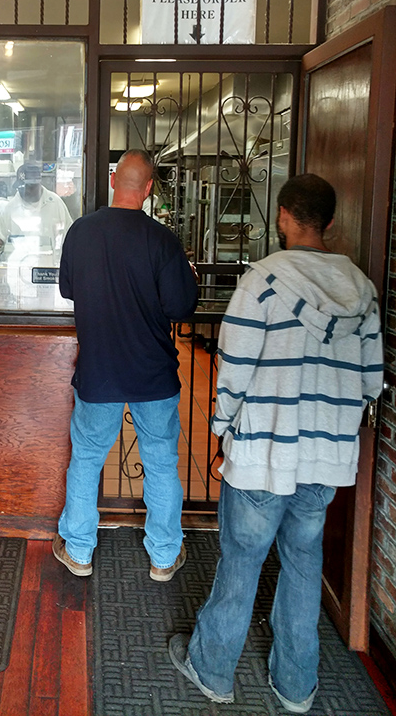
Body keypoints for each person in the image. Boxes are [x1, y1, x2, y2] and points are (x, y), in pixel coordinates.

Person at [169, 173, 383, 714]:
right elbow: (372, 383)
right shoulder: (363, 292)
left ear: (284, 216)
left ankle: (213, 669)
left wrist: (221, 433)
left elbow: (234, 370)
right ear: (330, 223)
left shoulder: (261, 283)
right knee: (304, 562)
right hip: (325, 458)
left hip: (264, 451)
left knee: (242, 561)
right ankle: (295, 685)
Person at [53, 149, 199, 580]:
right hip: (153, 375)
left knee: (86, 459)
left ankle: (79, 552)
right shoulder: (162, 240)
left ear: (115, 179)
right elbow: (182, 306)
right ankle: (163, 556)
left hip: (99, 372)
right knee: (159, 461)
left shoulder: (81, 232)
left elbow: (67, 289)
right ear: (150, 188)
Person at [0, 161, 73, 265]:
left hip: (49, 272)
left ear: (39, 184)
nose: (26, 191)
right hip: (17, 272)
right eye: (22, 187)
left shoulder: (55, 203)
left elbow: (70, 236)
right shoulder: (11, 207)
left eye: (30, 187)